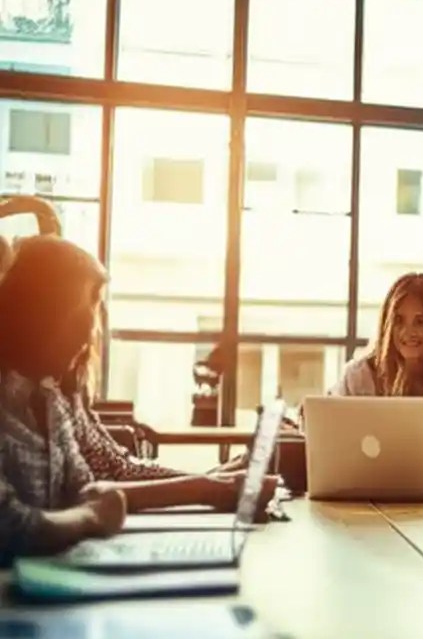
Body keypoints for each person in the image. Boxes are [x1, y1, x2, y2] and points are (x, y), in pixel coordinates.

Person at [0, 237, 248, 562]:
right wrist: (208, 486)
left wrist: (211, 482)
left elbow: (91, 494)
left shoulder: (50, 400)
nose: (90, 331)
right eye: (83, 309)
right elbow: (14, 523)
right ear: (38, 312)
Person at [327, 273, 423, 489]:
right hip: (367, 495)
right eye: (399, 321)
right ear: (386, 325)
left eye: (421, 321)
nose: (409, 332)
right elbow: (333, 443)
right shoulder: (358, 375)